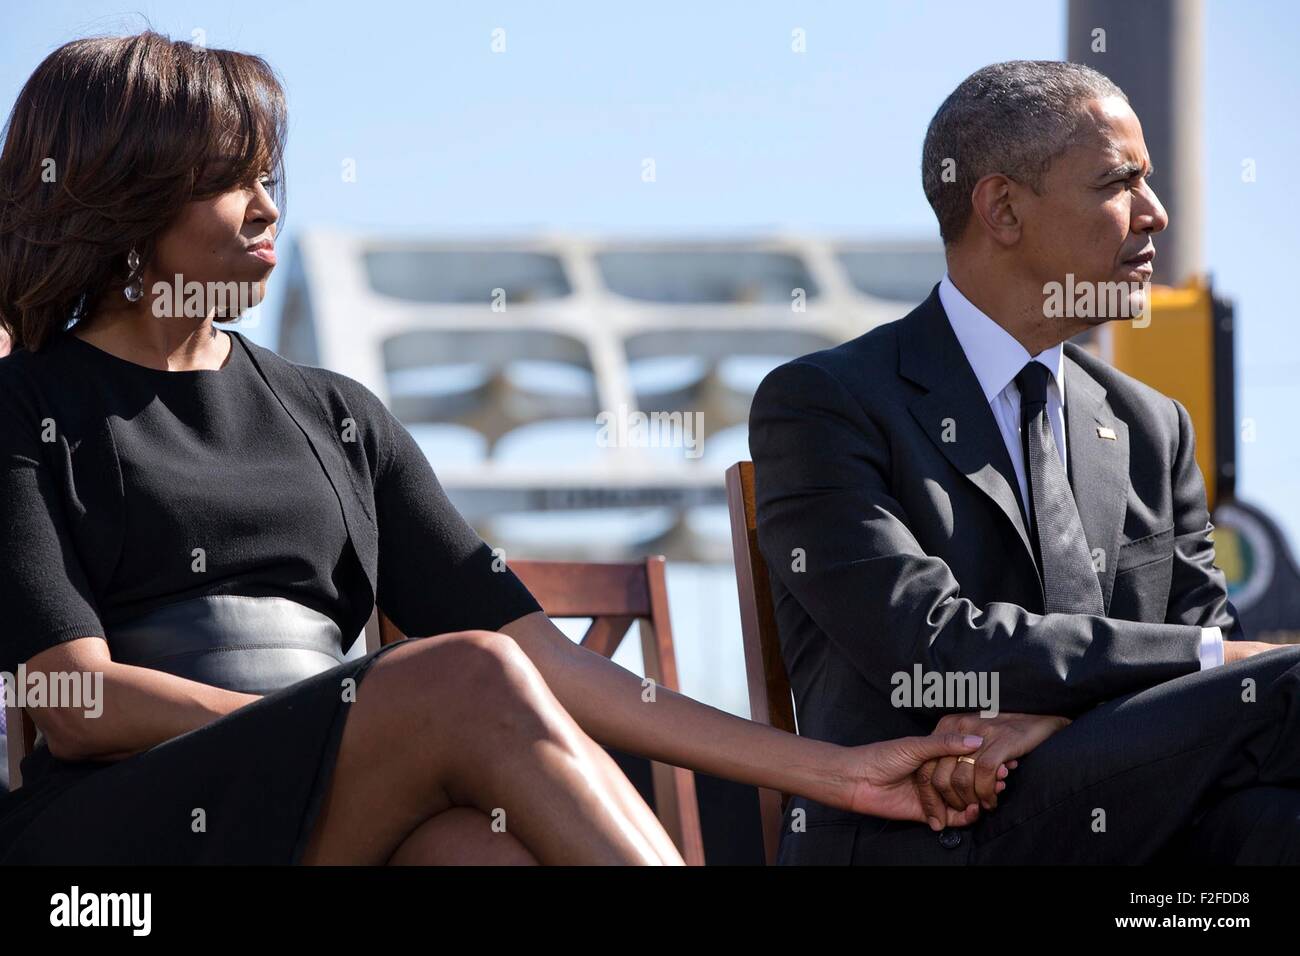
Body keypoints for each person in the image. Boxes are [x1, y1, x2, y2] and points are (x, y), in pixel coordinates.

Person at [0, 30, 998, 866]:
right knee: (459, 678)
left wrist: (839, 769)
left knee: (483, 852)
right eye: (225, 178)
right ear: (121, 196)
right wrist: (349, 719)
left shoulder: (336, 414)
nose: (266, 207)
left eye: (268, 174)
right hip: (114, 836)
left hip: (325, 808)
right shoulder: (23, 405)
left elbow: (544, 664)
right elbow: (78, 702)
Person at [750, 59, 1300, 865]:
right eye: (1120, 182)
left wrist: (1064, 717)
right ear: (1002, 208)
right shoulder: (825, 402)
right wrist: (1218, 660)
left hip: (1143, 835)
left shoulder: (1151, 427)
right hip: (932, 832)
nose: (1155, 213)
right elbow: (932, 649)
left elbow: (1211, 695)